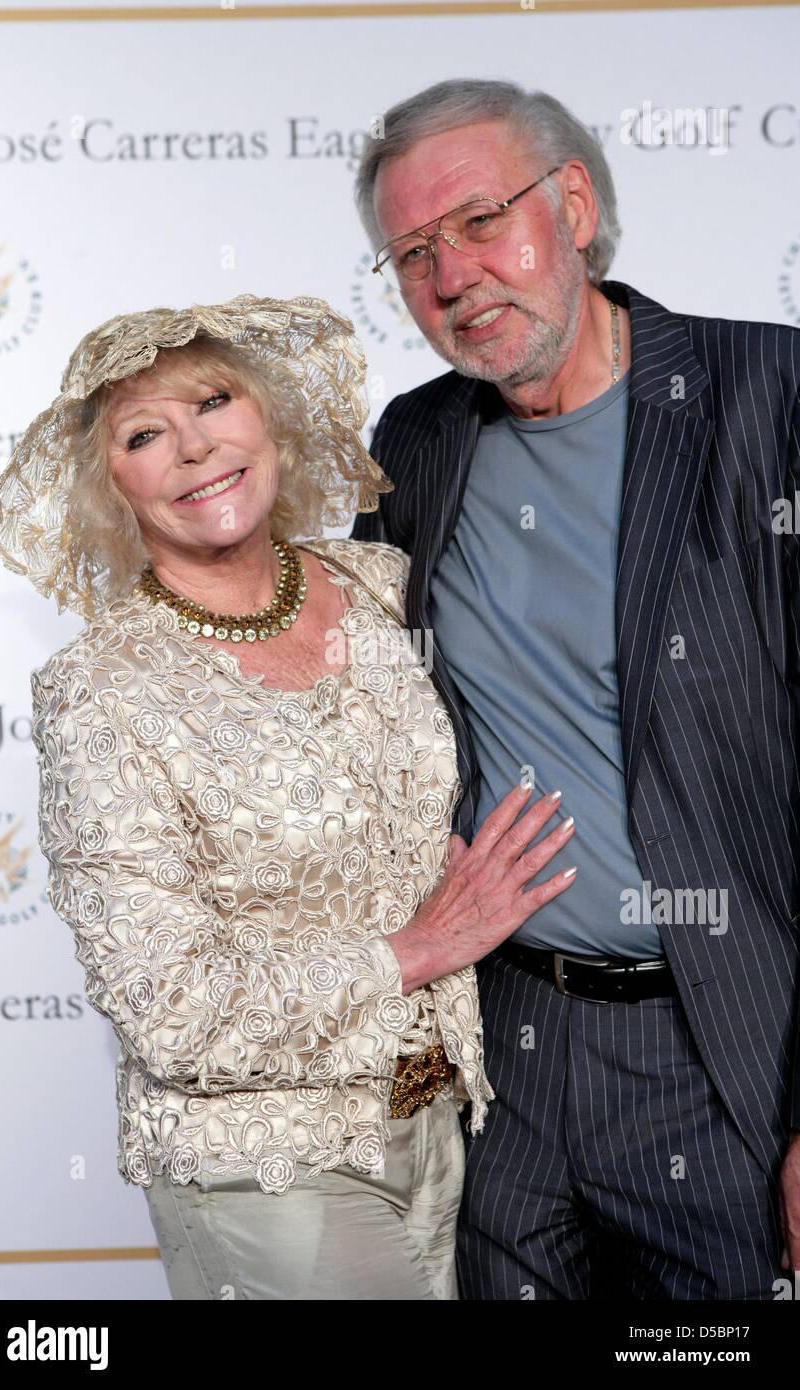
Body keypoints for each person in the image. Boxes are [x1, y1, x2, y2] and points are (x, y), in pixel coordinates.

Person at [0, 293, 578, 1301]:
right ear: (111, 486)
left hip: (457, 1136)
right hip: (271, 1176)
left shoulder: (382, 581)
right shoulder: (102, 689)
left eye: (215, 401)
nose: (194, 448)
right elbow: (169, 1008)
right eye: (144, 434)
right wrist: (417, 948)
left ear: (266, 415)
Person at [350, 77, 800, 1300]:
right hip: (507, 1061)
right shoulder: (416, 444)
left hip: (725, 1051)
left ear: (576, 203)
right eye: (413, 253)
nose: (453, 278)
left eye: (481, 221)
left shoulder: (771, 396)